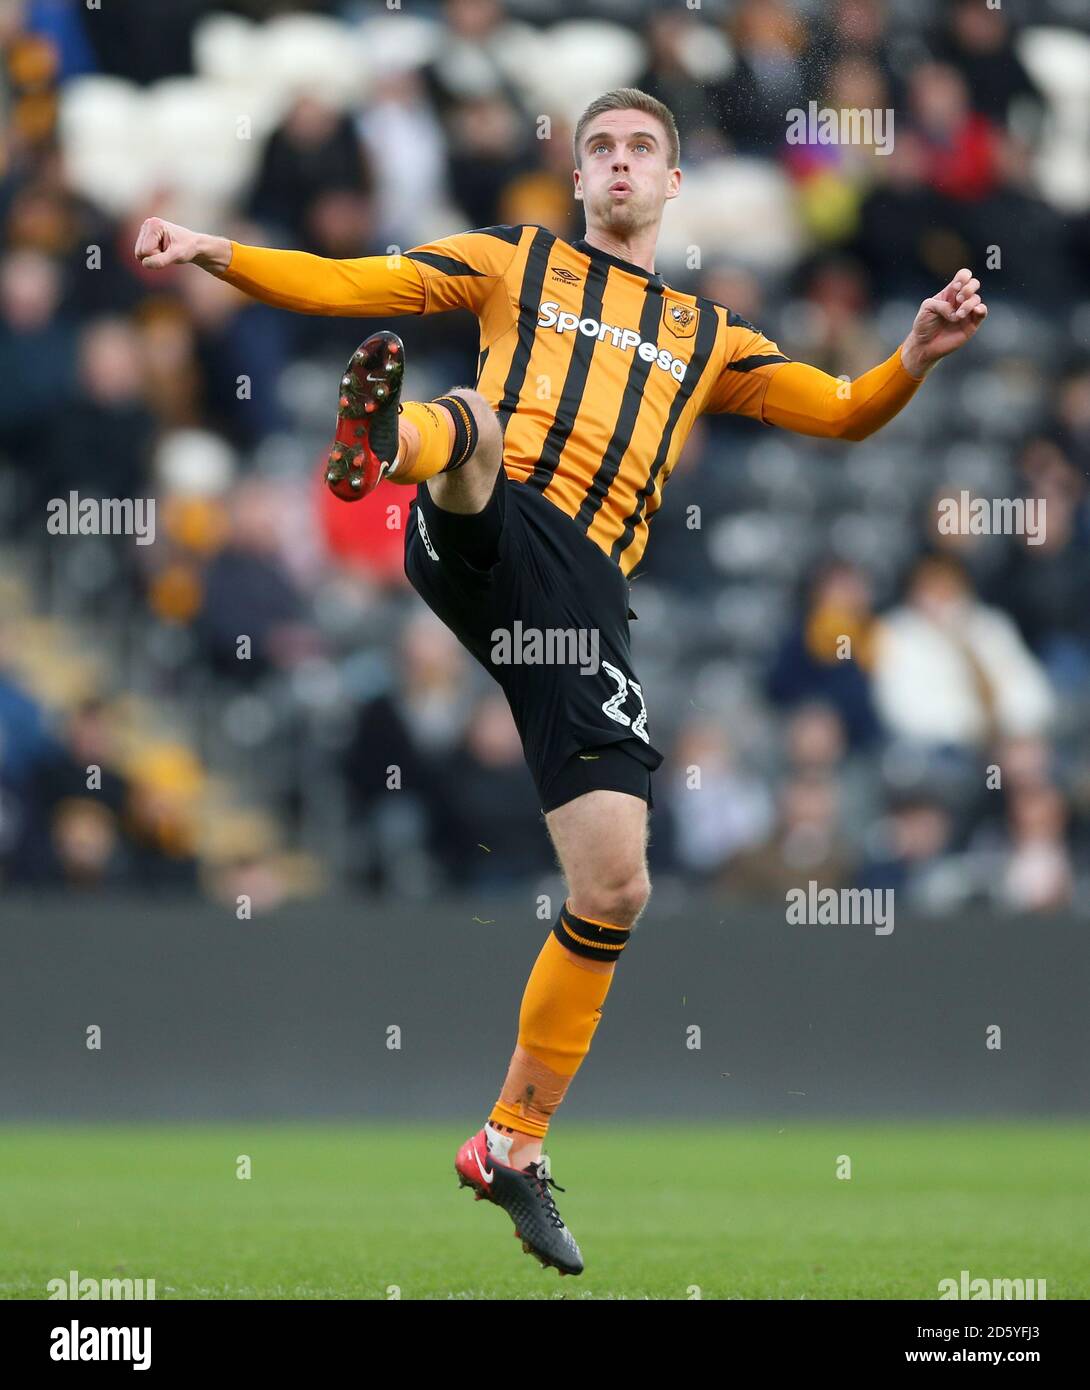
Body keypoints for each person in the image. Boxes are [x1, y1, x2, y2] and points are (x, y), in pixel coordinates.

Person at [133, 87, 988, 1277]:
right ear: (578, 181)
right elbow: (349, 284)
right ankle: (393, 447)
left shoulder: (704, 334)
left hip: (576, 614)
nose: (622, 164)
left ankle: (510, 1143)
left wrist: (912, 355)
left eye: (643, 148)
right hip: (478, 527)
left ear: (673, 182)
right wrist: (212, 250)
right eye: (601, 150)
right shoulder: (514, 261)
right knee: (477, 420)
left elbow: (841, 414)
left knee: (617, 881)